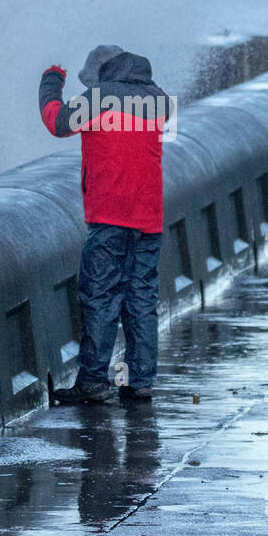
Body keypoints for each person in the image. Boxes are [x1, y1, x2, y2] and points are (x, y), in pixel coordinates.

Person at [38, 45, 174, 404]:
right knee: (141, 298)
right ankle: (141, 380)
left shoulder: (101, 98)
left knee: (100, 296)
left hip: (110, 216)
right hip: (148, 219)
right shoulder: (158, 100)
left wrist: (51, 81)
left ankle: (94, 382)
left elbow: (57, 122)